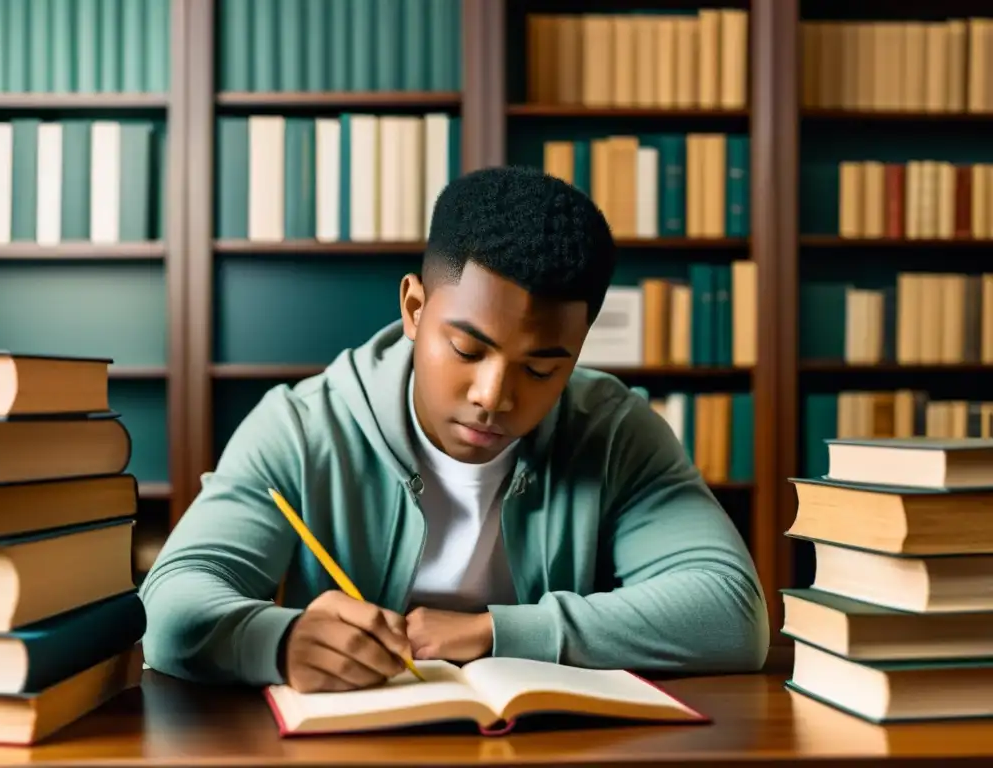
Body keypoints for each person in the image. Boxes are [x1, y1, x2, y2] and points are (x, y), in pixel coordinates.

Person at [139, 166, 769, 693]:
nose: (494, 397)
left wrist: (495, 632)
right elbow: (168, 608)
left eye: (542, 368)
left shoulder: (614, 430)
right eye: (468, 350)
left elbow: (731, 614)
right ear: (414, 308)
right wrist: (280, 642)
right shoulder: (303, 427)